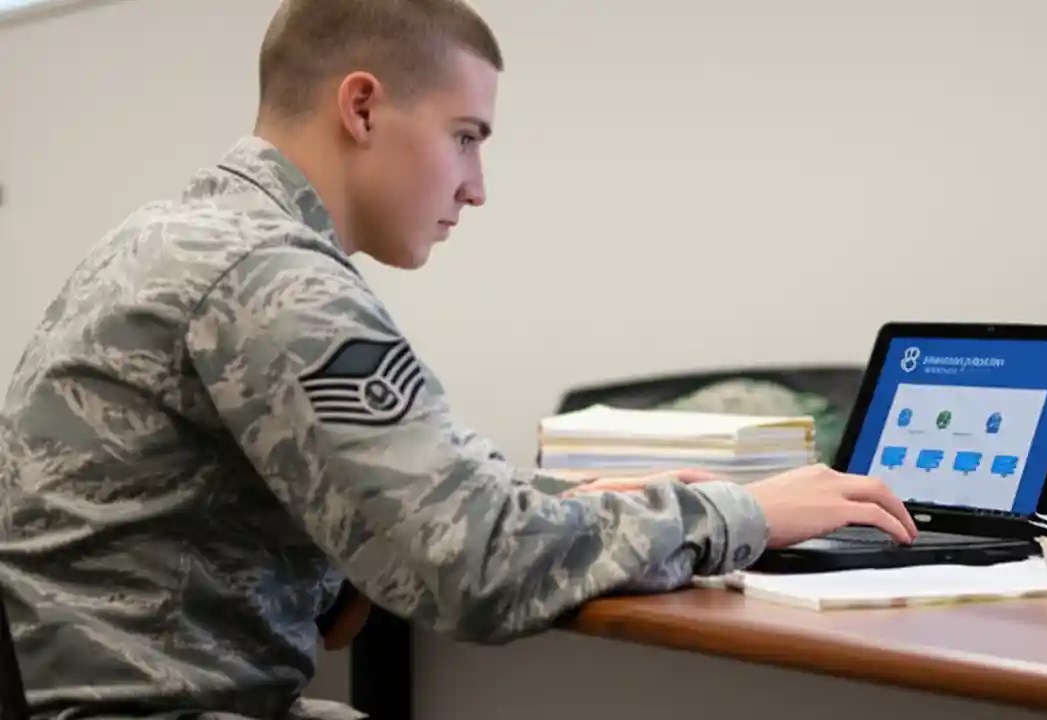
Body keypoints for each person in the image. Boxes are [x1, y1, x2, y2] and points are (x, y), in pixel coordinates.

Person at [0, 1, 918, 718]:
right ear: (361, 106)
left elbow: (424, 503)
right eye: (466, 138)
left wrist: (561, 504)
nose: (475, 188)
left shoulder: (171, 236)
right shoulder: (270, 278)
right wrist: (741, 510)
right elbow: (470, 565)